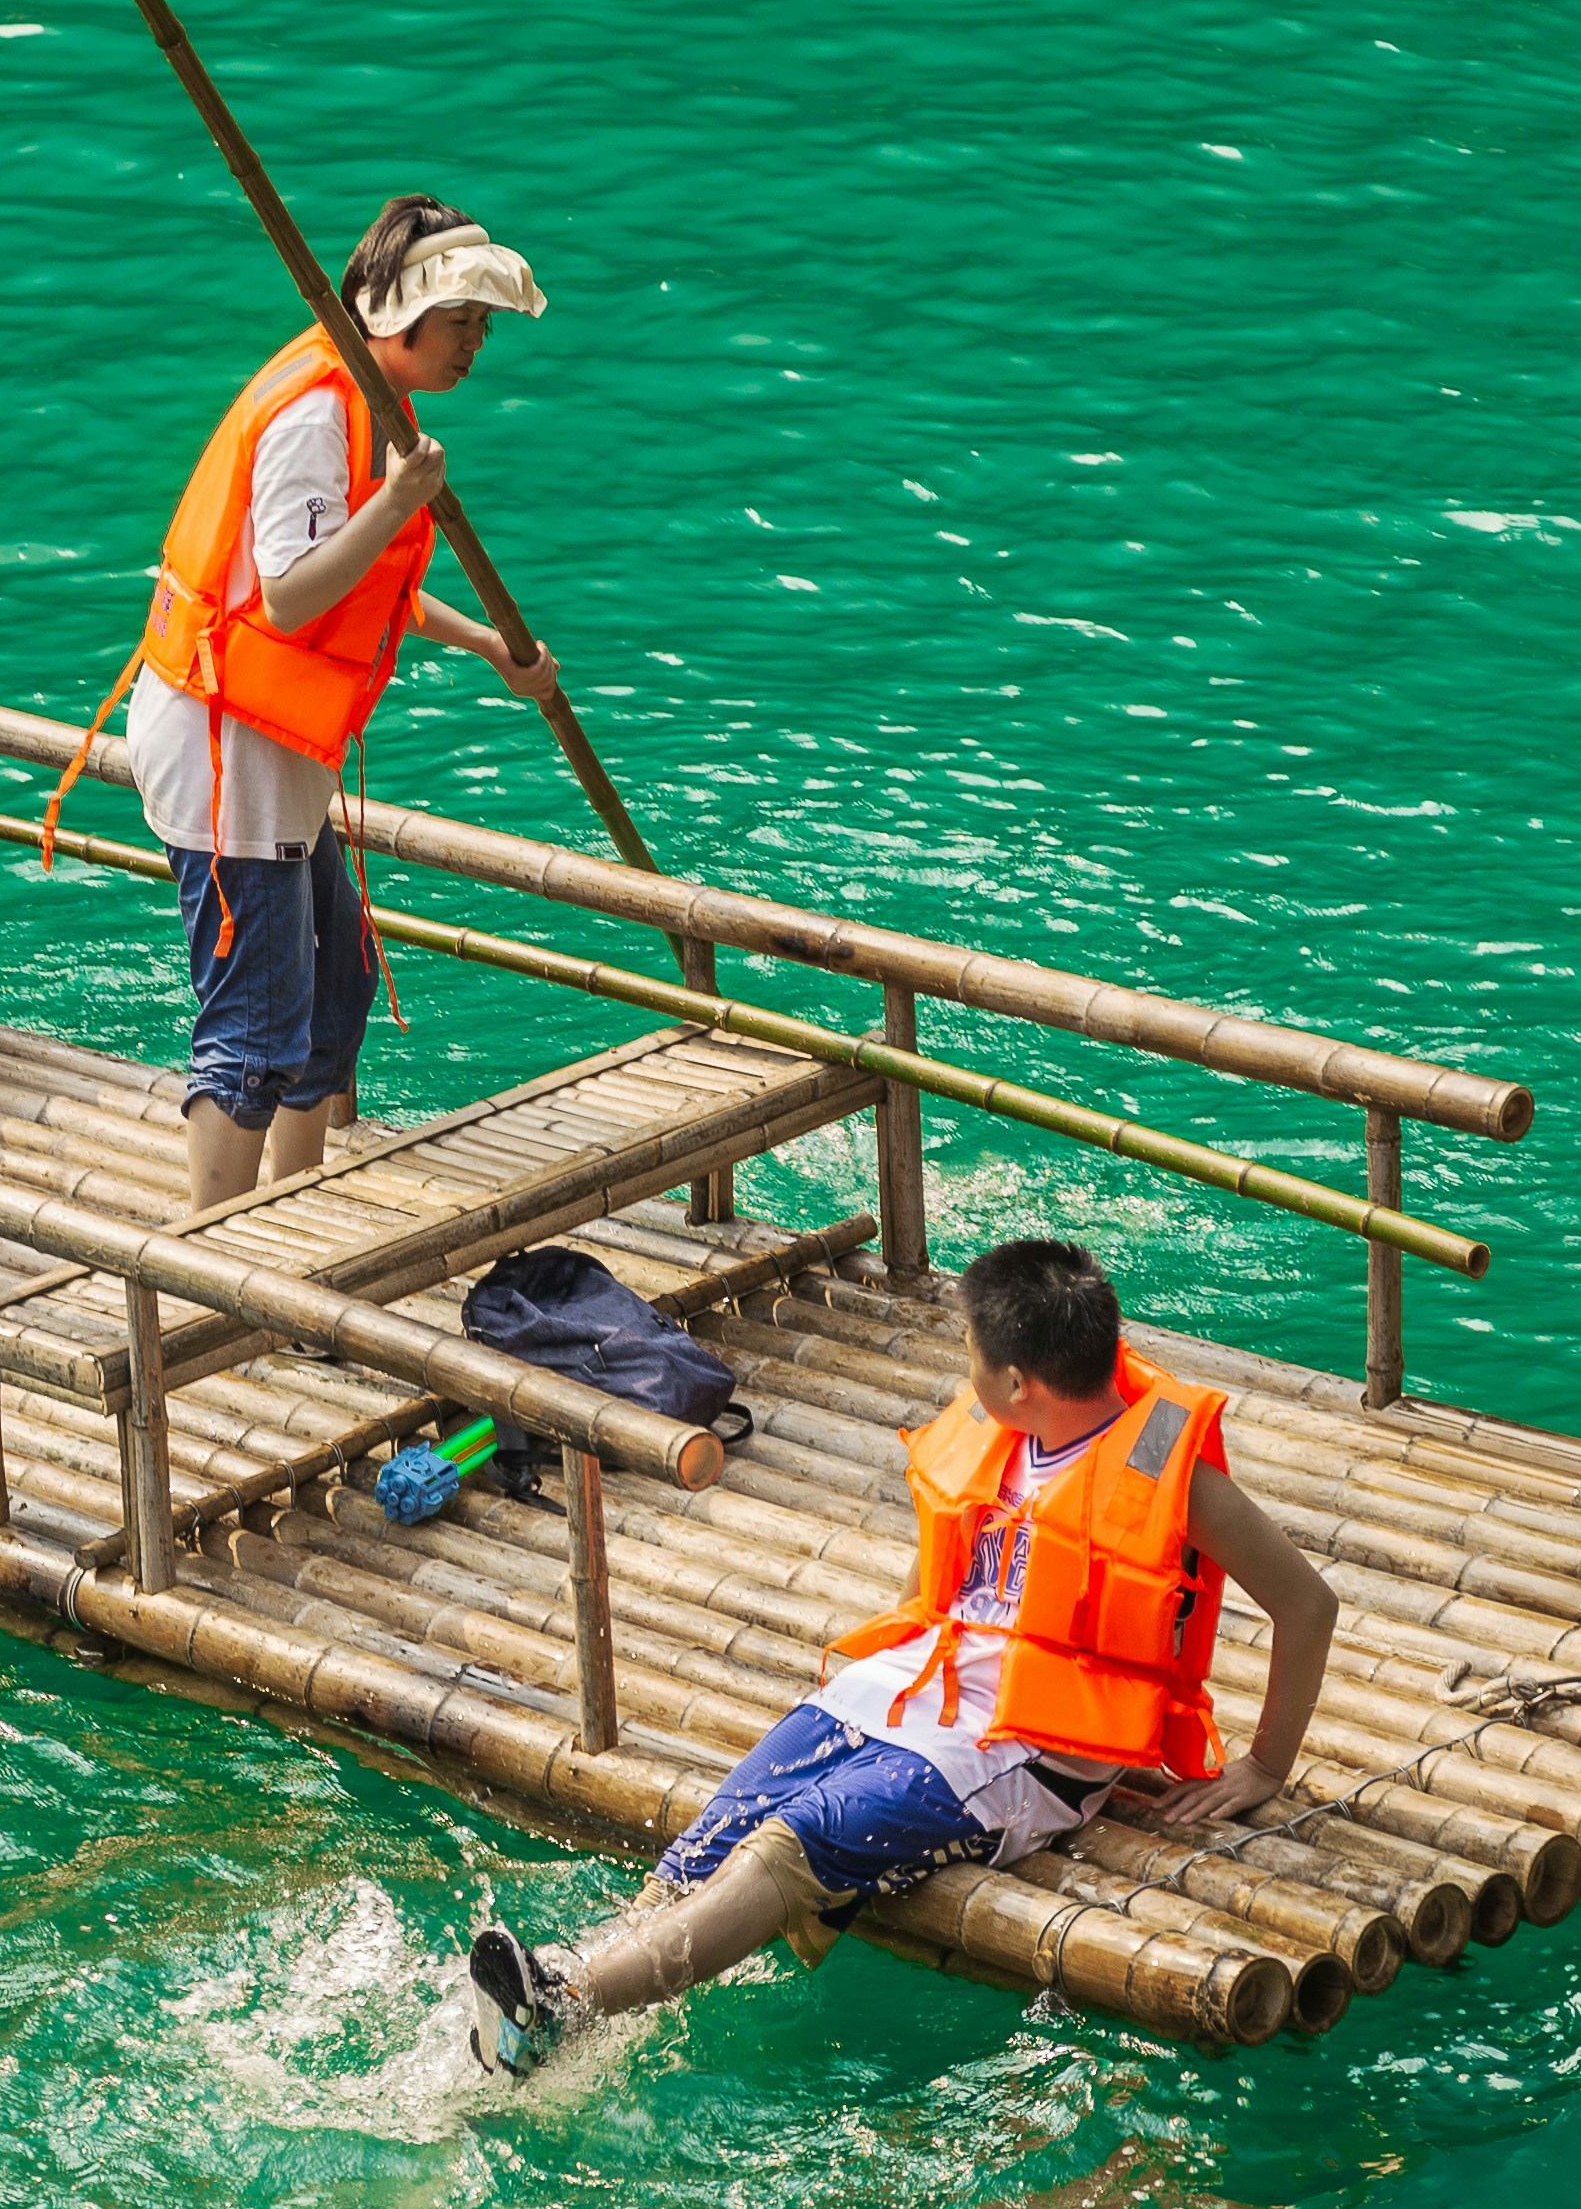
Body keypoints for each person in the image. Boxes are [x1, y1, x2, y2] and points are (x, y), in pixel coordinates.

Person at [466, 1232, 1340, 2072]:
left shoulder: (1175, 1476)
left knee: (792, 1842)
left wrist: (1265, 1765)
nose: (963, 1365)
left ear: (1020, 1380)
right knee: (723, 1824)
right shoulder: (1008, 1430)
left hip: (1025, 1748)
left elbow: (1309, 1606)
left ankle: (570, 2005)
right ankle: (558, 1988)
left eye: (971, 1352)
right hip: (918, 1682)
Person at [112, 197, 566, 1215]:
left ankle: (294, 1211)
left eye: (483, 327)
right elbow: (291, 590)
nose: (475, 346)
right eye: (465, 324)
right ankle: (224, 1254)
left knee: (341, 981)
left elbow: (372, 585)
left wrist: (491, 645)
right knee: (254, 1027)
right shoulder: (320, 410)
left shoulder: (370, 405)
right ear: (405, 317)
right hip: (230, 751)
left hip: (282, 755)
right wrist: (399, 503)